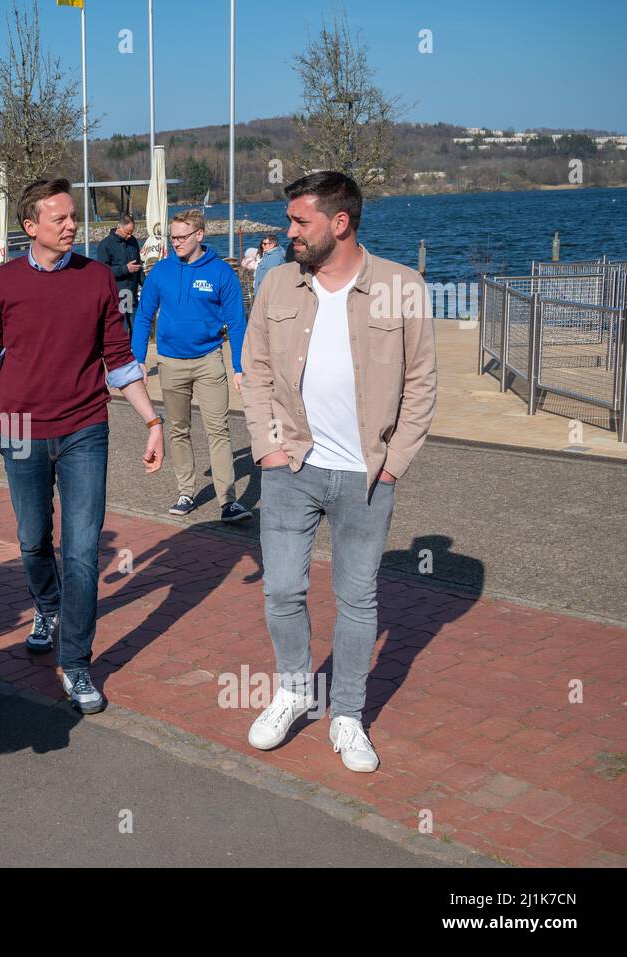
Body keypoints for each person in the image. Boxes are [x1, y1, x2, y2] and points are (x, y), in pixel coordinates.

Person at [241, 171, 437, 773]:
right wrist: (270, 450)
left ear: (340, 223)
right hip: (291, 467)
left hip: (366, 478)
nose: (288, 231)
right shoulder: (277, 283)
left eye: (300, 221)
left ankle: (348, 713)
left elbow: (422, 382)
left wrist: (394, 464)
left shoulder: (402, 286)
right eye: (290, 220)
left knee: (357, 600)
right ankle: (296, 690)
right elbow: (257, 372)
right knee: (281, 589)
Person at [0, 178, 164, 715]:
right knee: (33, 538)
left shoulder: (98, 278)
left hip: (84, 430)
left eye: (73, 216)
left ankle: (76, 664)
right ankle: (46, 607)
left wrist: (151, 419)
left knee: (80, 551)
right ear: (31, 227)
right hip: (22, 431)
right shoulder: (2, 282)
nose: (72, 225)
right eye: (60, 219)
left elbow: (119, 358)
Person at [131, 208, 250, 523]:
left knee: (218, 430)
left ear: (200, 235)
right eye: (173, 237)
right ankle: (186, 492)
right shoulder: (160, 272)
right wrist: (138, 360)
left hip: (210, 360)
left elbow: (237, 322)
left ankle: (228, 502)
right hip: (170, 362)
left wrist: (239, 366)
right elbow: (143, 317)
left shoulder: (222, 273)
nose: (176, 243)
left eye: (182, 237)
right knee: (179, 429)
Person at [94, 213, 144, 333]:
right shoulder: (105, 245)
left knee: (136, 327)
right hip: (117, 294)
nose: (129, 236)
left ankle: (134, 350)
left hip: (131, 292)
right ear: (119, 227)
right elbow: (102, 272)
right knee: (122, 329)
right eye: (127, 232)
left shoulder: (133, 242)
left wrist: (146, 284)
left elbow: (138, 266)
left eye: (132, 232)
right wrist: (125, 269)